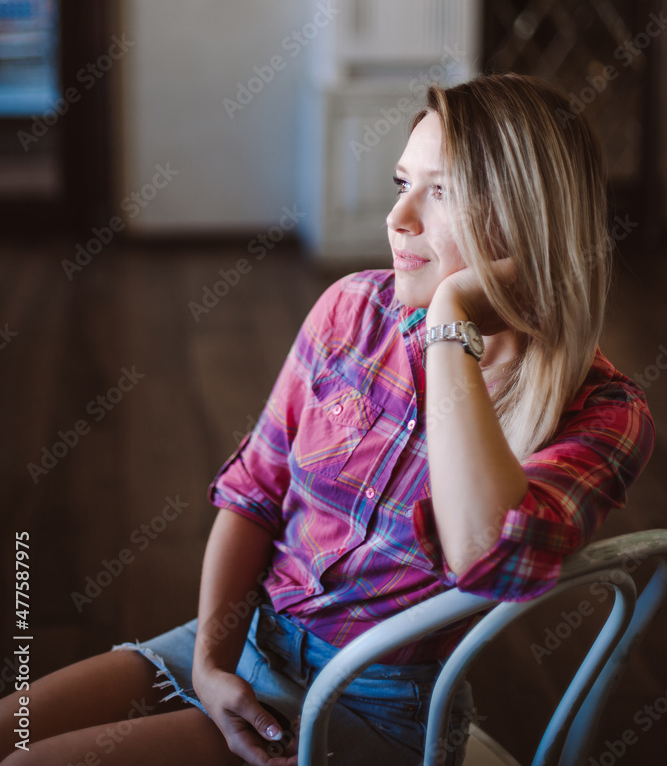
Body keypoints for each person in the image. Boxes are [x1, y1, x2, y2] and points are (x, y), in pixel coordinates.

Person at [0, 73, 655, 766]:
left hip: (372, 706)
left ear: (532, 222)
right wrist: (210, 665)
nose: (397, 217)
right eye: (401, 182)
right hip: (247, 635)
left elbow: (487, 556)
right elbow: (254, 491)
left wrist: (449, 325)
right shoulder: (352, 311)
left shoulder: (605, 417)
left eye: (440, 192)